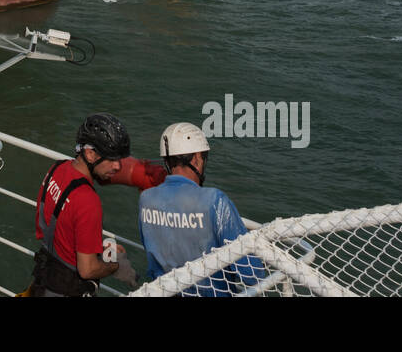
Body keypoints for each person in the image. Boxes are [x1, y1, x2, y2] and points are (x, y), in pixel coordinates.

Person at [137, 122, 266, 295]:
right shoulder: (215, 201)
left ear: (166, 161)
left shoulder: (146, 199)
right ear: (197, 159)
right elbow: (251, 274)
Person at [28, 113, 138, 296]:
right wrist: (115, 266)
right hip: (67, 288)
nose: (118, 167)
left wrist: (98, 249)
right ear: (90, 153)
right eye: (112, 159)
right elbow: (87, 270)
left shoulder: (56, 169)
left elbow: (61, 226)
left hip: (44, 277)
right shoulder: (88, 200)